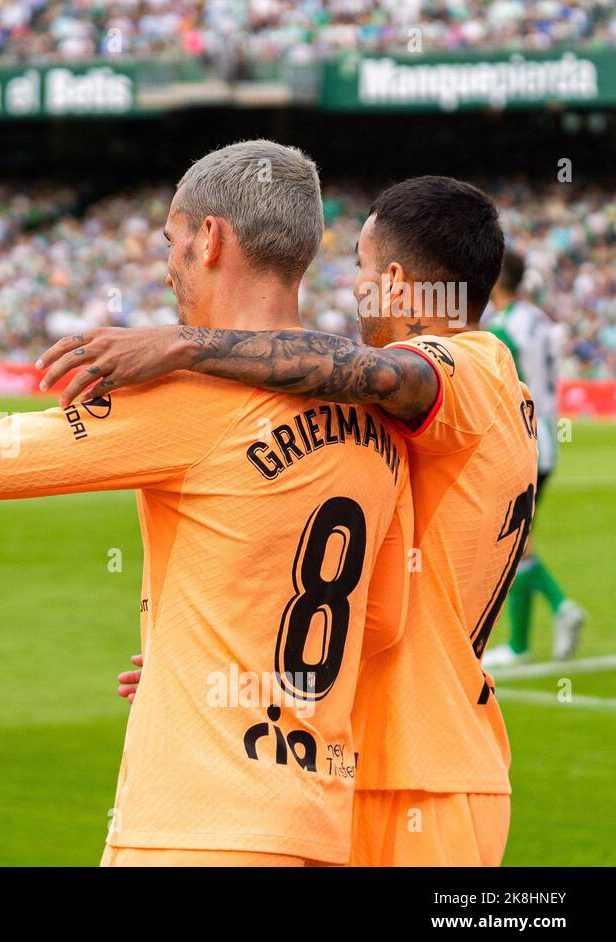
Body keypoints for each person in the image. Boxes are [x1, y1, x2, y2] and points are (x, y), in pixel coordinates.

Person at [0, 141, 413, 866]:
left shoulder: (189, 390)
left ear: (210, 238)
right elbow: (382, 621)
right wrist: (211, 658)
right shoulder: (375, 404)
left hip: (197, 825)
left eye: (171, 239)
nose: (168, 260)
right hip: (314, 822)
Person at [40, 175, 537, 866]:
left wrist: (187, 344)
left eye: (361, 269)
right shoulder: (501, 383)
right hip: (413, 762)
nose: (353, 290)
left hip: (417, 777)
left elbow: (373, 374)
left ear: (394, 280)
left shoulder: (459, 370)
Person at [482, 249, 585, 666]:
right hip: (547, 441)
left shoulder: (503, 328)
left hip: (523, 441)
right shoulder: (539, 318)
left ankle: (544, 624)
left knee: (512, 541)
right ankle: (546, 622)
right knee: (518, 539)